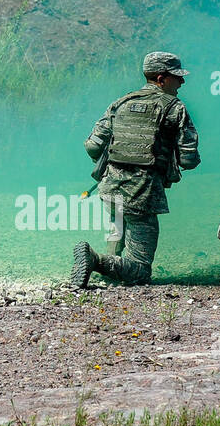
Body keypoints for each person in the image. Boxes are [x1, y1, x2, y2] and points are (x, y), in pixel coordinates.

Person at [71, 51, 201, 287]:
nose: (182, 82)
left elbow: (92, 146)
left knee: (117, 222)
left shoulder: (120, 103)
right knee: (140, 271)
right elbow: (189, 159)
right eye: (177, 77)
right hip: (143, 192)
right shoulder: (175, 108)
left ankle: (108, 272)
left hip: (110, 186)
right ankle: (95, 260)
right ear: (161, 79)